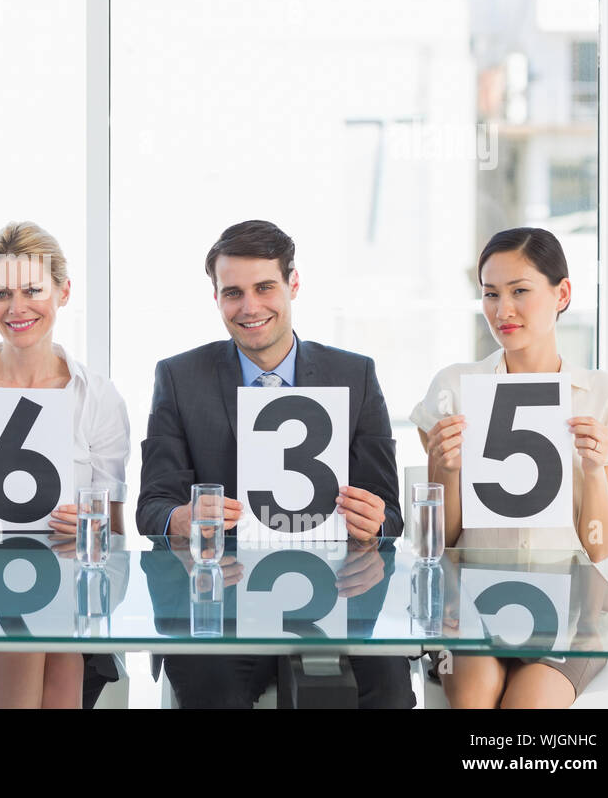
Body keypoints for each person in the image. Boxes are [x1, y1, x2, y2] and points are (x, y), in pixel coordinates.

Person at [136, 219, 412, 708]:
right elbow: (153, 506)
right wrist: (179, 518)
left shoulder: (355, 375)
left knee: (390, 687)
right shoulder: (179, 377)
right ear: (216, 298)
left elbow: (390, 512)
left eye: (265, 287)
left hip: (339, 590)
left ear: (293, 284)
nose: (250, 307)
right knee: (209, 688)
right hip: (223, 599)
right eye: (232, 293)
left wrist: (376, 522)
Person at [411, 227, 608, 708]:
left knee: (527, 708)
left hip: (571, 609)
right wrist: (444, 471)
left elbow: (599, 548)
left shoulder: (600, 394)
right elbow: (438, 543)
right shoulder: (455, 387)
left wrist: (595, 471)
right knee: (474, 698)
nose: (502, 310)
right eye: (490, 294)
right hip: (471, 601)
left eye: (520, 291)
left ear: (562, 294)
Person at [0, 221, 129, 708]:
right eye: (2, 293)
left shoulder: (96, 397)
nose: (17, 308)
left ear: (63, 291)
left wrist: (89, 529)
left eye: (33, 290)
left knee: (46, 625)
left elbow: (116, 540)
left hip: (69, 595)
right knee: (33, 629)